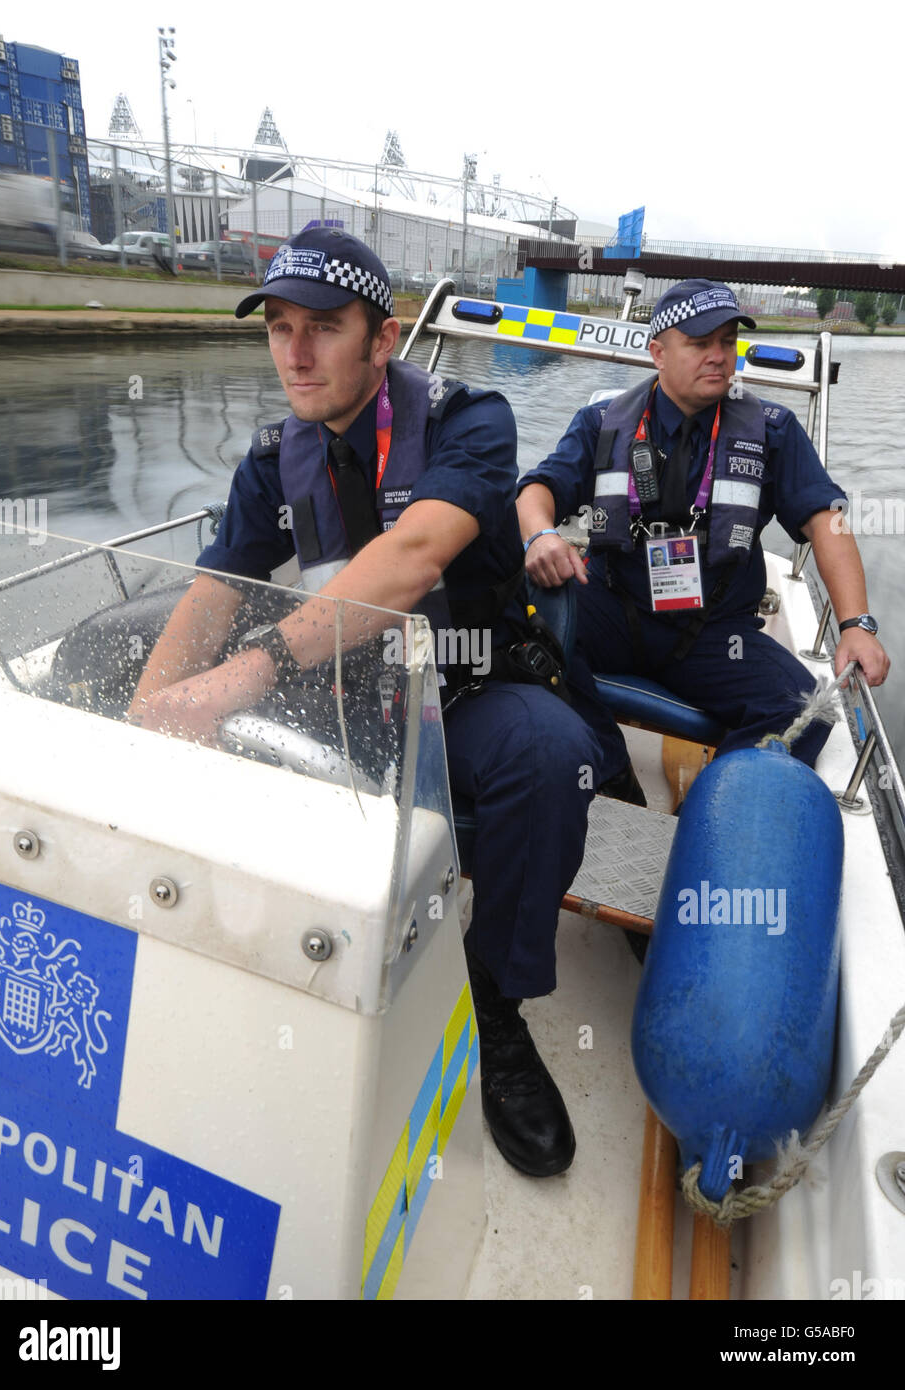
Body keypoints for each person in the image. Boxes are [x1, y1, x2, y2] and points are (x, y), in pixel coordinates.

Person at [128, 228, 629, 1179]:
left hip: (465, 680)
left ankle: (497, 1007)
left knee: (547, 756)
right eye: (278, 328)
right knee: (201, 728)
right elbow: (215, 592)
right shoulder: (275, 458)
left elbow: (411, 559)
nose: (295, 352)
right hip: (341, 687)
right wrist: (149, 720)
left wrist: (247, 672)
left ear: (383, 337)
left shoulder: (470, 419)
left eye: (323, 326)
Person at [517, 279, 890, 770]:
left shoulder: (772, 431)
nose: (718, 355)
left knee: (807, 711)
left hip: (712, 634)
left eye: (727, 341)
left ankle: (712, 807)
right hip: (613, 611)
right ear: (659, 353)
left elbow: (828, 521)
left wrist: (856, 624)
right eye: (698, 343)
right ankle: (608, 771)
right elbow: (537, 488)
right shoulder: (601, 423)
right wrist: (541, 534)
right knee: (515, 636)